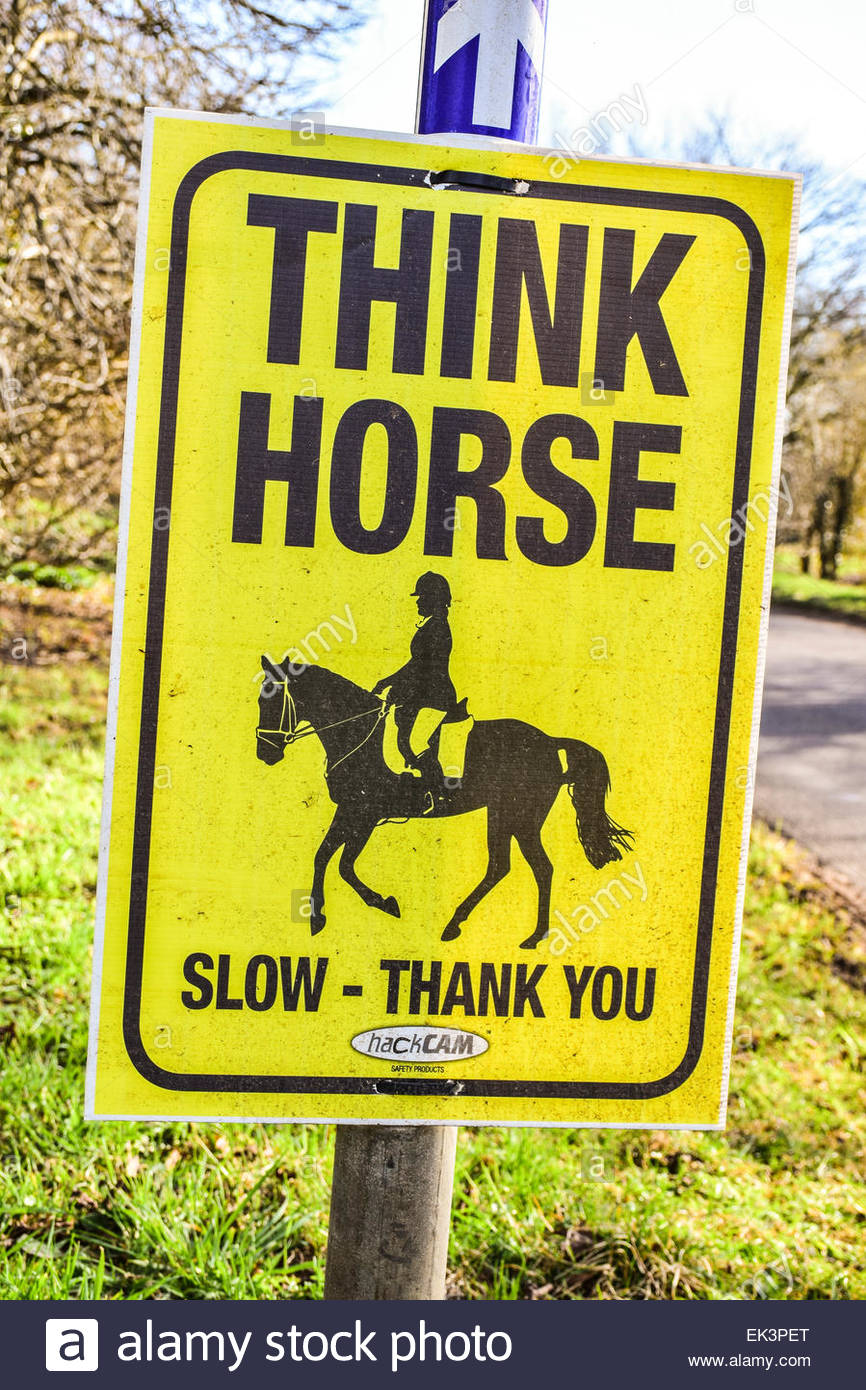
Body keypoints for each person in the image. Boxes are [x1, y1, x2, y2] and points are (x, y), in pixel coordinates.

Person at [372, 572, 458, 806]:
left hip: (436, 696)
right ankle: (416, 785)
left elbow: (422, 668)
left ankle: (439, 793)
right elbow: (415, 664)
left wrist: (393, 686)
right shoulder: (428, 625)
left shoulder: (438, 628)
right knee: (400, 735)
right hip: (423, 694)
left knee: (416, 741)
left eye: (422, 597)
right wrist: (388, 682)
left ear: (434, 599)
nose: (418, 601)